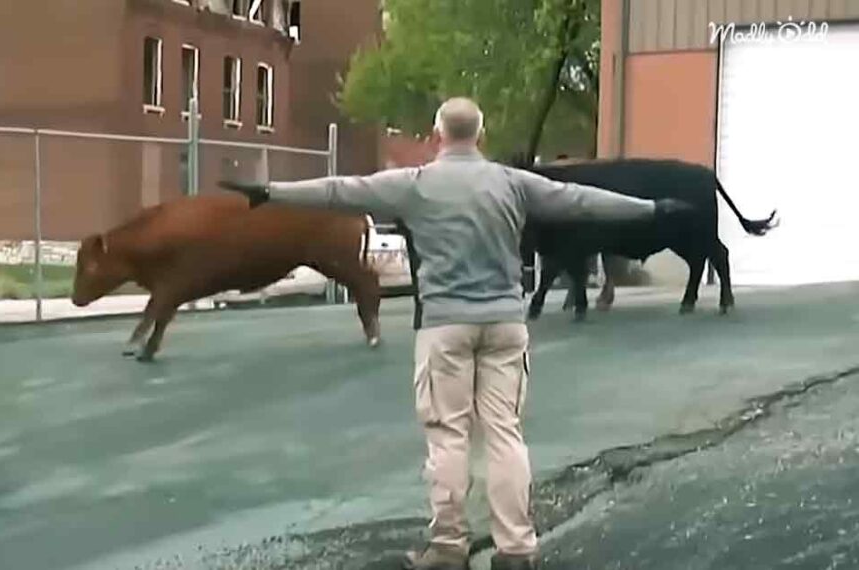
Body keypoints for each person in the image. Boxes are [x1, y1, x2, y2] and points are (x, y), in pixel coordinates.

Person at [219, 97, 692, 570]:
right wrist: (651, 209)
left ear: (435, 135)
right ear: (480, 137)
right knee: (505, 434)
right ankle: (516, 549)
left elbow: (341, 191)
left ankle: (448, 548)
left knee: (448, 436)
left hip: (445, 326)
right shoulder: (513, 183)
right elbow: (581, 201)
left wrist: (270, 191)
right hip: (505, 324)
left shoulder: (414, 185)